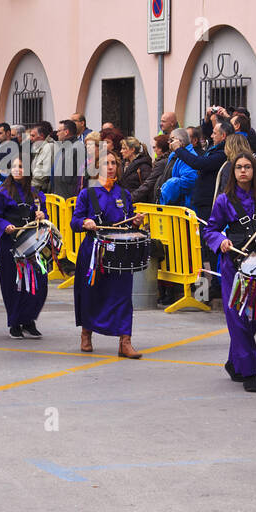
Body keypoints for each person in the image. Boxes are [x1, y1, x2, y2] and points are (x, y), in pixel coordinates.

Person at [204, 152, 256, 392]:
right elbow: (211, 230)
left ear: (254, 171)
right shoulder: (224, 200)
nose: (243, 171)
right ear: (233, 172)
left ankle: (235, 362)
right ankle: (250, 371)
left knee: (252, 318)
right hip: (232, 264)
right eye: (239, 168)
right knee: (237, 317)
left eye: (247, 167)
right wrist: (220, 241)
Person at [72, 153, 146, 358]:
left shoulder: (124, 194)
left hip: (120, 252)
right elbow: (74, 221)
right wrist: (84, 222)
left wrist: (136, 222)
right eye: (106, 163)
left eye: (114, 163)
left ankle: (125, 341)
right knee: (91, 293)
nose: (111, 166)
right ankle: (86, 333)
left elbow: (129, 221)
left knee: (123, 295)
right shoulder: (87, 194)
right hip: (93, 250)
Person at [0, 157, 49, 339]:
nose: (17, 170)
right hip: (9, 243)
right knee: (13, 283)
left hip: (32, 244)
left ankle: (29, 319)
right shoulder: (2, 193)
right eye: (14, 166)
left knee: (39, 282)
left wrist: (41, 214)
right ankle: (15, 322)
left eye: (21, 167)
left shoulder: (36, 194)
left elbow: (42, 217)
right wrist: (5, 226)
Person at [158, 128, 198, 208]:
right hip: (172, 205)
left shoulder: (189, 156)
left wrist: (167, 188)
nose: (169, 143)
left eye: (171, 140)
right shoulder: (173, 155)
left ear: (180, 142)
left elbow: (189, 180)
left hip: (182, 207)